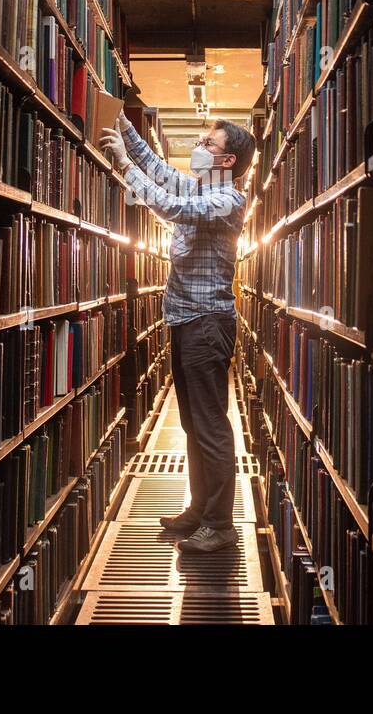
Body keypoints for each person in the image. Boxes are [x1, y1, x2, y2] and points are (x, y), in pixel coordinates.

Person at [99, 112, 256, 553]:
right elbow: (163, 173)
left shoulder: (228, 200)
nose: (199, 147)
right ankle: (200, 509)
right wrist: (124, 128)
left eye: (208, 143)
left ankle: (221, 525)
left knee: (210, 427)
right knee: (192, 424)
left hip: (207, 325)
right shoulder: (206, 186)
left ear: (226, 160)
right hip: (186, 321)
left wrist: (125, 167)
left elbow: (172, 205)